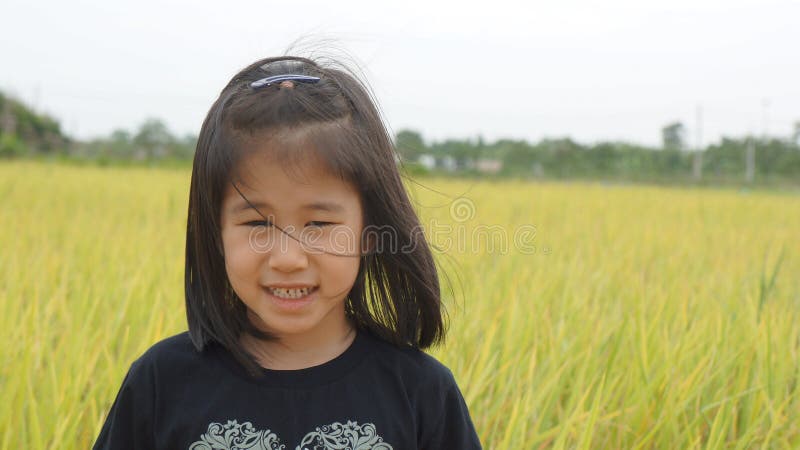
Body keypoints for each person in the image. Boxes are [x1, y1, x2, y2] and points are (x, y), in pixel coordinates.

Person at [92, 54, 482, 450]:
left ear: (370, 232)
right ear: (216, 232)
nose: (288, 258)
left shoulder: (420, 392)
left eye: (320, 224)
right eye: (257, 224)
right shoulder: (163, 383)